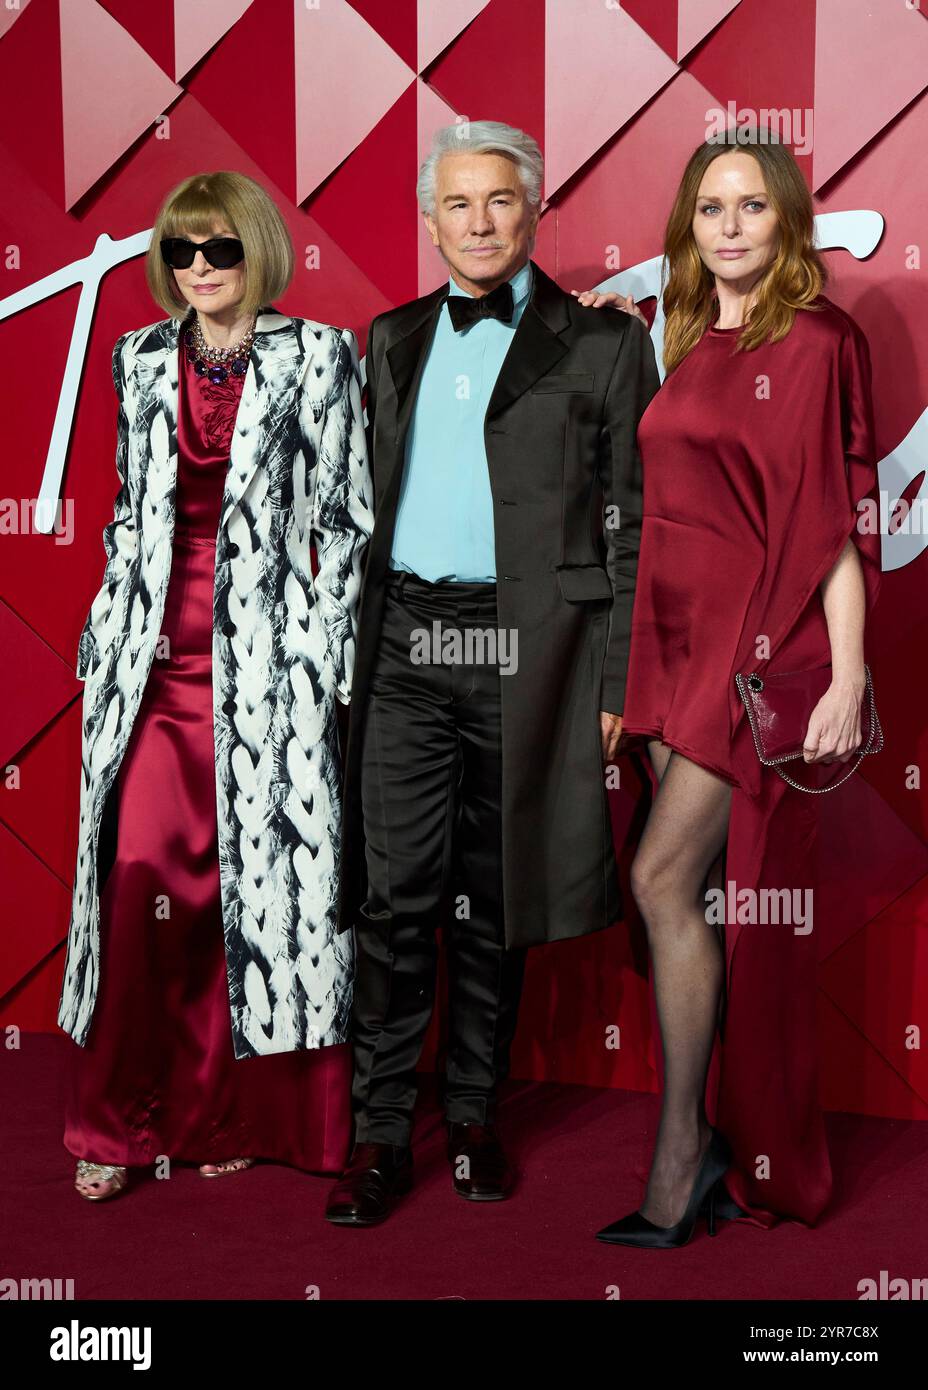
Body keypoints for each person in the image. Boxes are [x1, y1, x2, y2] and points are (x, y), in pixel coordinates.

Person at [325, 120, 660, 1227]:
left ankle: (471, 1113)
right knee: (392, 896)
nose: (477, 222)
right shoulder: (389, 336)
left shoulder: (605, 345)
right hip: (409, 644)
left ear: (535, 211)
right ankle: (378, 1134)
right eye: (456, 205)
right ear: (431, 222)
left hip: (532, 654)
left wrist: (616, 683)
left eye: (498, 202)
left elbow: (633, 527)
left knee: (492, 896)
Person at [580, 129, 881, 1246]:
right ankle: (721, 1129)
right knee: (691, 896)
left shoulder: (814, 341)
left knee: (663, 878)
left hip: (752, 646)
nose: (730, 226)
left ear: (787, 218)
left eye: (752, 206)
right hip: (668, 640)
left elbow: (830, 526)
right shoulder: (687, 332)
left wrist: (846, 675)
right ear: (689, 226)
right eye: (711, 209)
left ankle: (682, 1155)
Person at [60, 170, 373, 1200]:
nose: (199, 269)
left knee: (252, 900)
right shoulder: (137, 360)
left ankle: (224, 1115)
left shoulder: (318, 357)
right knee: (143, 876)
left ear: (256, 251)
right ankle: (116, 1124)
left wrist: (319, 664)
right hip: (151, 665)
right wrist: (107, 632)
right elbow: (125, 511)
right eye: (182, 251)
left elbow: (347, 524)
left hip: (266, 672)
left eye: (219, 250)